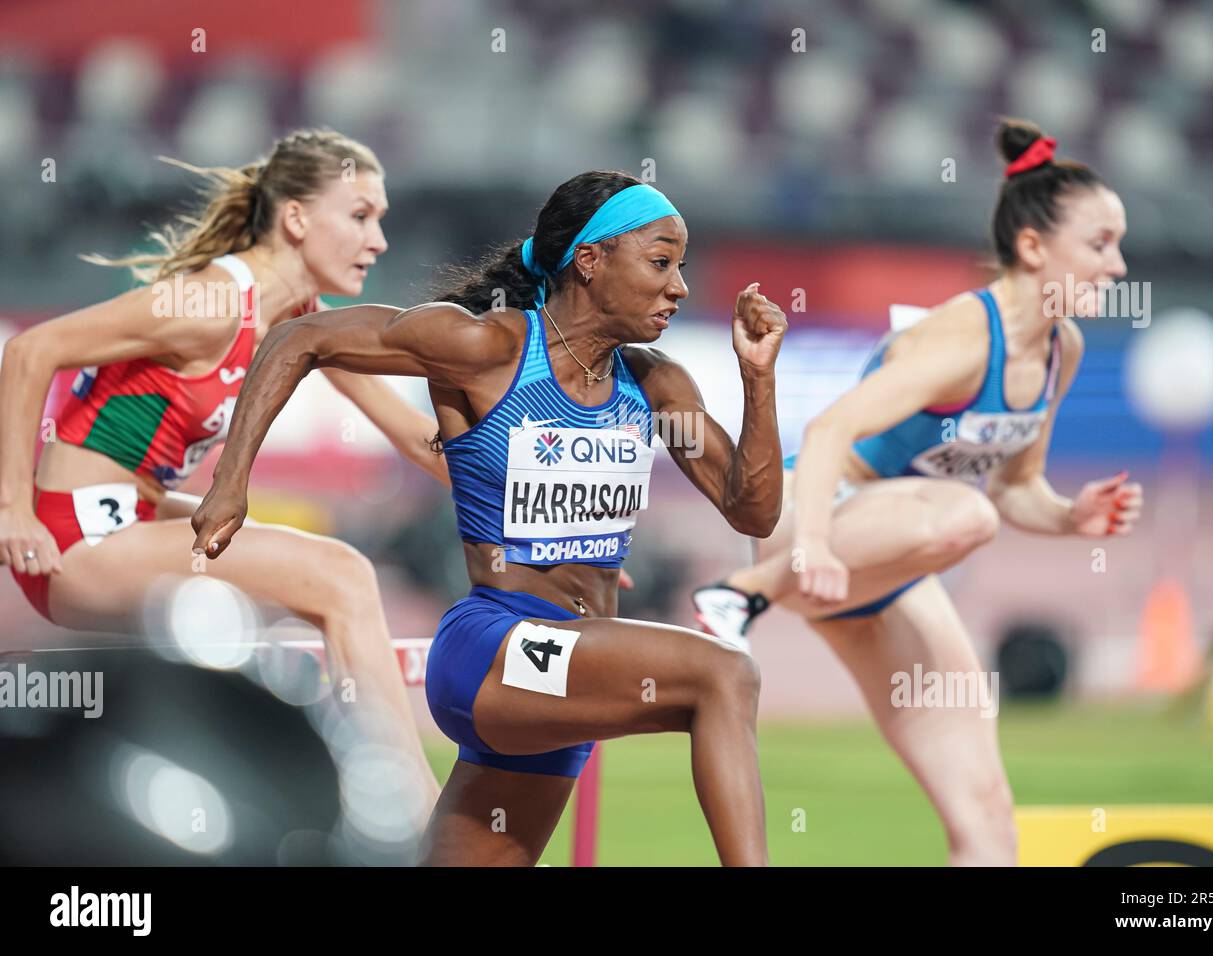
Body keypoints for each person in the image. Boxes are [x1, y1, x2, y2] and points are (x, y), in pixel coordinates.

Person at [191, 171, 788, 866]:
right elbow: (301, 339)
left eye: (680, 267)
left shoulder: (658, 386)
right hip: (494, 652)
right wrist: (231, 483)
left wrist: (758, 378)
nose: (680, 287)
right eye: (660, 263)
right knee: (725, 675)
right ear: (590, 260)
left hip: (569, 675)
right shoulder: (485, 349)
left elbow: (754, 510)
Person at [693, 119, 1143, 865]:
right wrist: (806, 551)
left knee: (988, 821)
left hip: (896, 562)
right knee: (962, 517)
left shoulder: (1063, 350)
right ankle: (737, 595)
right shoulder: (965, 338)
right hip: (813, 522)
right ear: (1033, 248)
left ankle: (752, 595)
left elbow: (1015, 486)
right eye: (1100, 245)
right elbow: (834, 428)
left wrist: (1070, 516)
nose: (1119, 267)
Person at [0, 128, 442, 811]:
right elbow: (30, 350)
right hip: (75, 539)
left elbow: (419, 440)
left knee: (273, 603)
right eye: (360, 217)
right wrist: (12, 510)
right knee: (342, 577)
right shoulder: (207, 306)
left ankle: (246, 799)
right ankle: (416, 819)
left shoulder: (299, 320)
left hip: (133, 515)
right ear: (296, 218)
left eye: (379, 219)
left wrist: (539, 507)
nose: (379, 240)